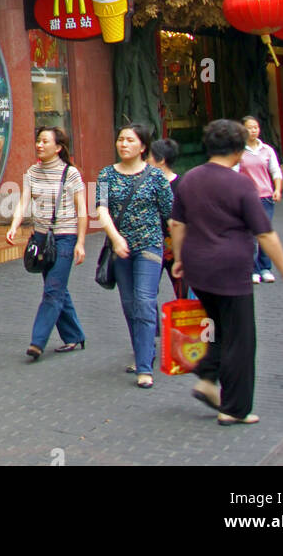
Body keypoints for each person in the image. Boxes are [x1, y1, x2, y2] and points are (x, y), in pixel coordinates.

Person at [170, 119, 283, 425]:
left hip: (198, 268)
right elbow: (265, 234)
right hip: (231, 270)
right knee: (240, 339)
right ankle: (234, 408)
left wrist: (178, 258)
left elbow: (177, 224)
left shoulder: (190, 179)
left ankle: (206, 377)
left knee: (216, 326)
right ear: (239, 151)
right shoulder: (242, 184)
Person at [95, 123, 172, 390]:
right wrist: (116, 239)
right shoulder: (106, 175)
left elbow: (170, 214)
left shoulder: (156, 177)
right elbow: (102, 211)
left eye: (130, 140)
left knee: (143, 300)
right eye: (120, 139)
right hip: (120, 249)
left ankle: (144, 367)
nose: (123, 144)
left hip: (150, 246)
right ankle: (144, 349)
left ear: (143, 147)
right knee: (129, 304)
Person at [5, 127, 88, 358]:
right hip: (41, 238)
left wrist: (80, 242)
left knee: (52, 290)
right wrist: (13, 226)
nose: (39, 145)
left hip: (65, 237)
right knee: (58, 288)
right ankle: (74, 336)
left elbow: (82, 209)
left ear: (58, 147)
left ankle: (37, 342)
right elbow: (23, 202)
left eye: (44, 141)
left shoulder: (70, 174)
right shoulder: (32, 171)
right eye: (38, 141)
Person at [239, 116, 283, 285]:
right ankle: (253, 269)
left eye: (256, 127)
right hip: (248, 198)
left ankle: (265, 268)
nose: (254, 130)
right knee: (251, 235)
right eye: (250, 128)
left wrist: (277, 189)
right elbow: (235, 174)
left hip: (266, 196)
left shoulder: (267, 150)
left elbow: (276, 171)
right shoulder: (239, 151)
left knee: (264, 232)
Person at [150, 138, 184, 297]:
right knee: (147, 294)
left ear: (161, 160)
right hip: (150, 246)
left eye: (149, 156)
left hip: (175, 248)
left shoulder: (183, 186)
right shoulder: (145, 185)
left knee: (183, 292)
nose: (145, 161)